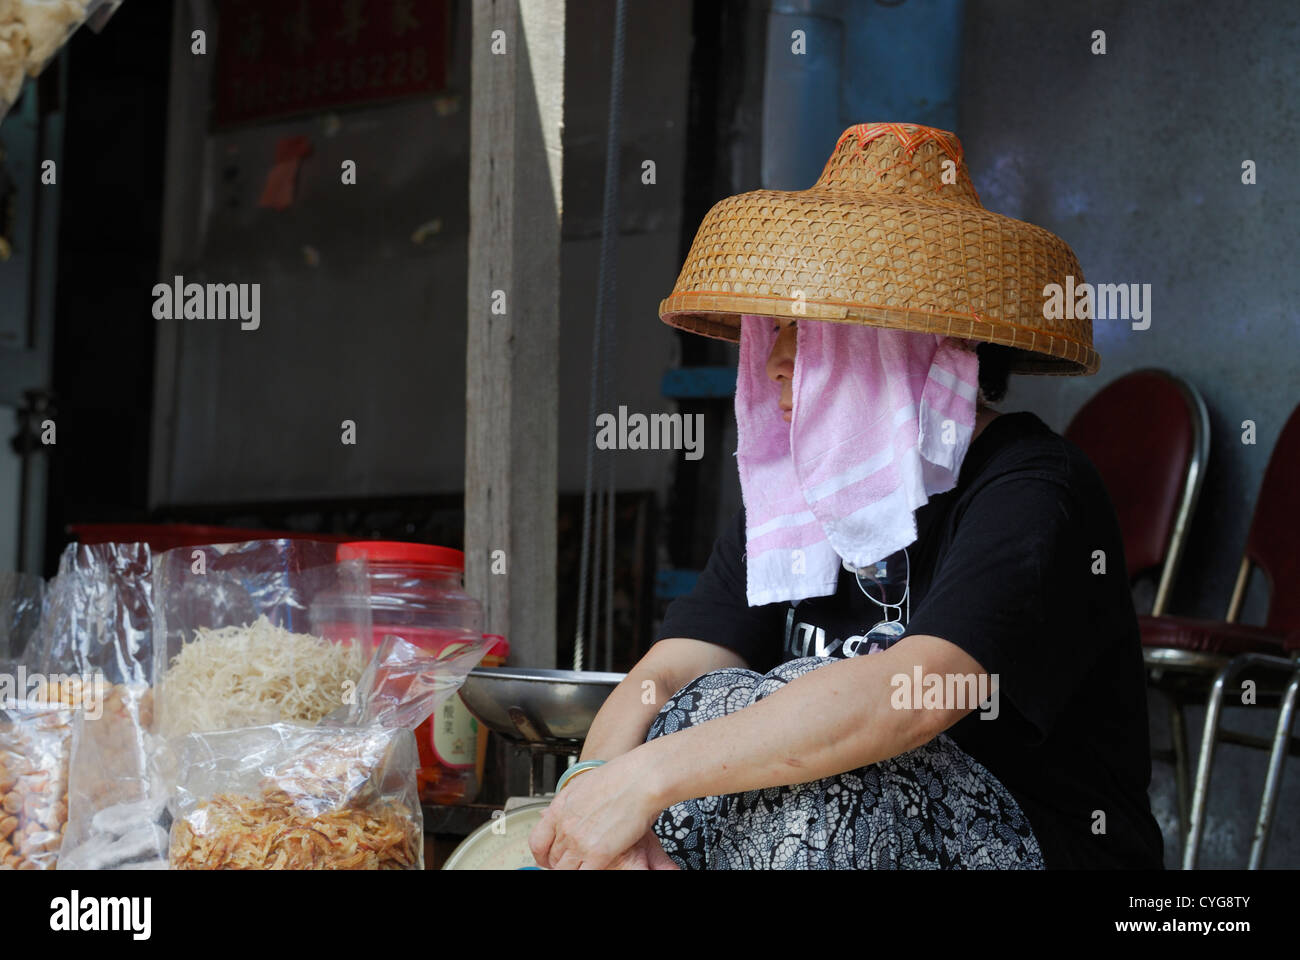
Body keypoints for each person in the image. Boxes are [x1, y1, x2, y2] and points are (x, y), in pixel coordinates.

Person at [528, 123, 1165, 870]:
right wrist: (595, 788)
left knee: (797, 733)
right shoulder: (798, 498)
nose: (775, 362)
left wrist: (648, 781)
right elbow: (669, 672)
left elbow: (913, 694)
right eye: (776, 330)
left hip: (1034, 844)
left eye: (809, 329)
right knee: (694, 712)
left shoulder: (1033, 486)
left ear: (904, 337)